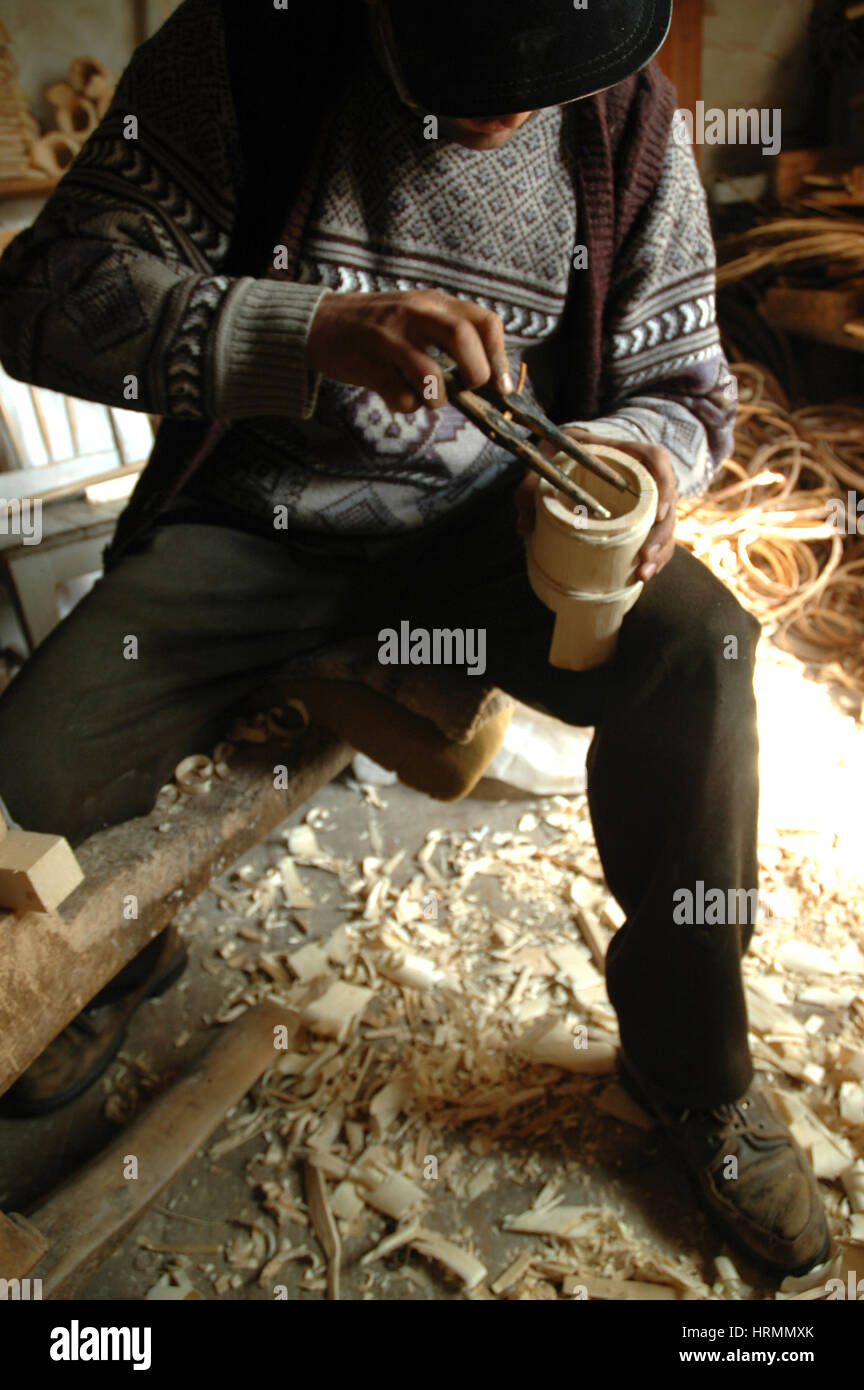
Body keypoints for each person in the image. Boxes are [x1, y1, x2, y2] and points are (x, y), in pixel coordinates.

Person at [0, 0, 829, 1277]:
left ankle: (693, 1062)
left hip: (486, 535)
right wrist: (309, 329)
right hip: (254, 522)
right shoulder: (249, 54)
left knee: (702, 648)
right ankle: (122, 946)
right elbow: (45, 300)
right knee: (28, 782)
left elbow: (688, 390)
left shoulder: (622, 117)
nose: (498, 118)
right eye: (464, 81)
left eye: (530, 87)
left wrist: (633, 472)